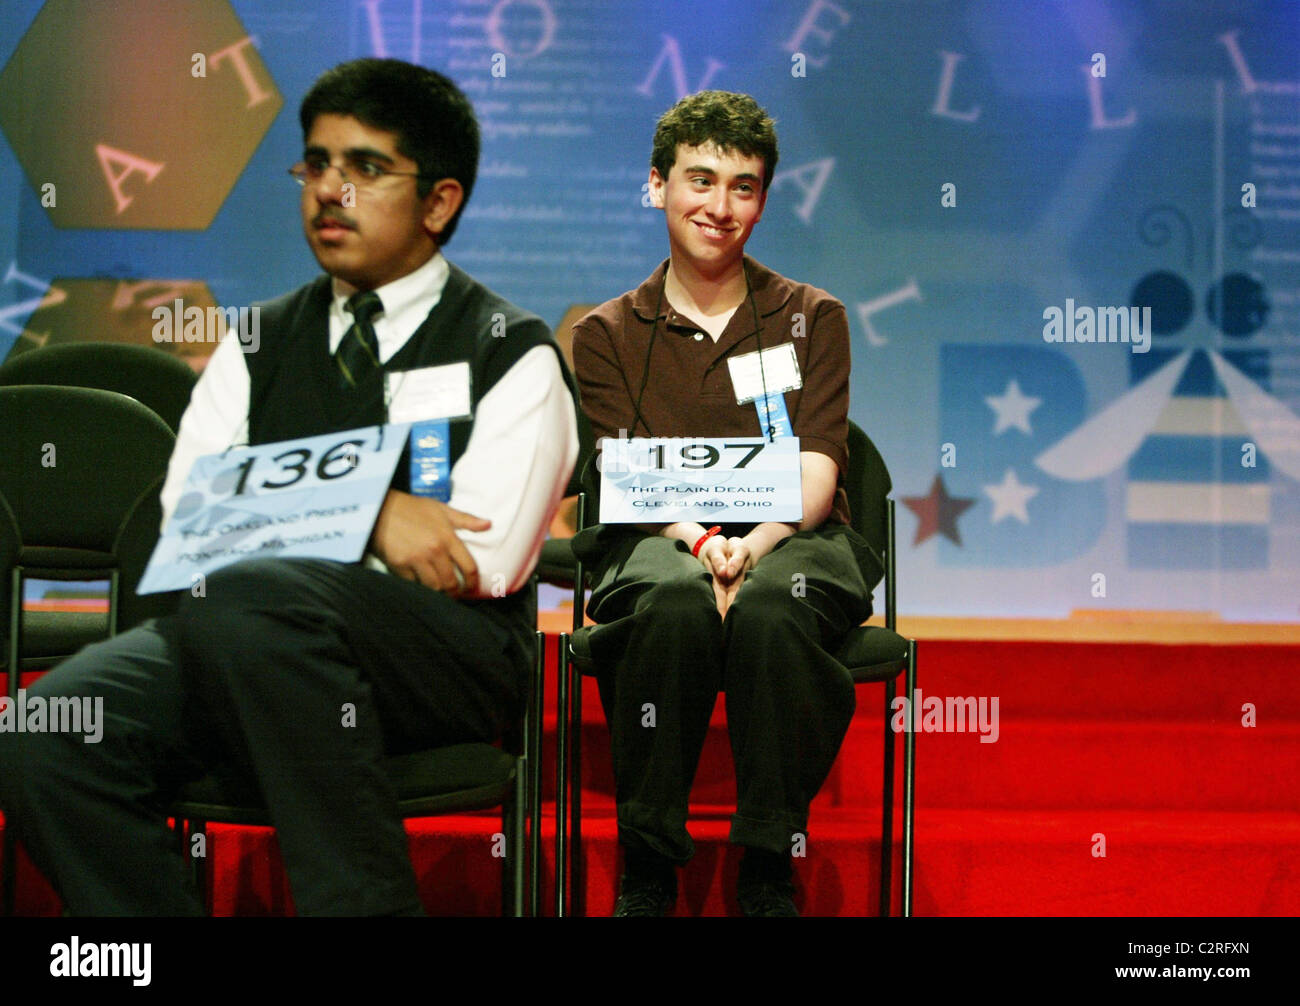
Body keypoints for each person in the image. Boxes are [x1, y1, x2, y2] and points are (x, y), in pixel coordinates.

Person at [0, 58, 578, 916]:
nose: (329, 191)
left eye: (365, 168)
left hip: (437, 656)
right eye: (316, 164)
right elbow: (185, 521)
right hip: (238, 635)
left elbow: (480, 562)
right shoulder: (256, 342)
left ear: (440, 201)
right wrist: (372, 514)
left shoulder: (511, 350)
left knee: (255, 593)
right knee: (44, 736)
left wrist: (261, 519)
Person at [571, 90, 880, 917]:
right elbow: (627, 479)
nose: (719, 206)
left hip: (795, 535)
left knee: (778, 607)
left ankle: (768, 857)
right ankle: (648, 858)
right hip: (658, 533)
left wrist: (754, 546)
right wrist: (706, 544)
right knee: (671, 601)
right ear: (657, 186)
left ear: (764, 199)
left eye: (742, 187)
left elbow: (817, 477)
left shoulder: (813, 317)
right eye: (699, 180)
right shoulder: (606, 333)